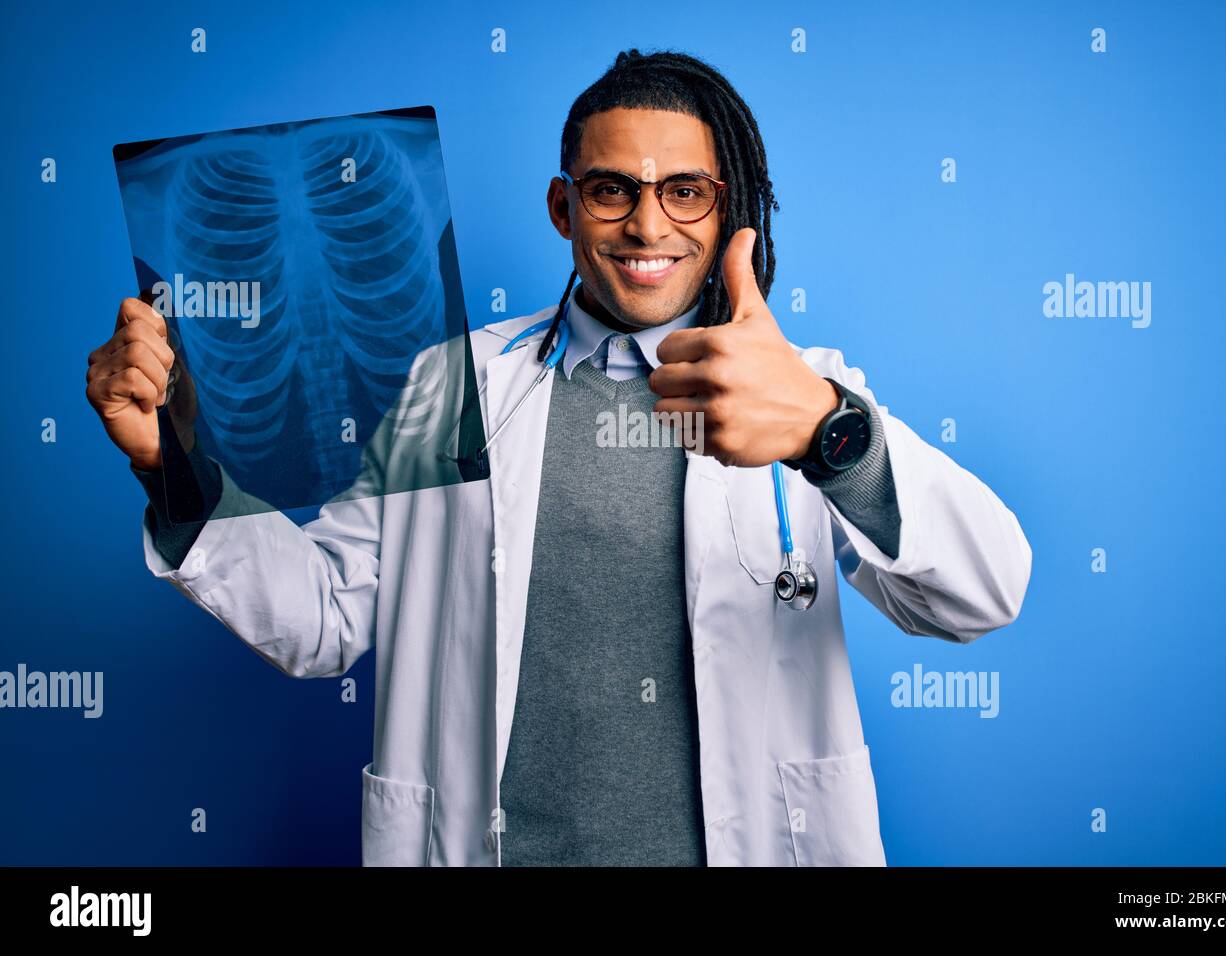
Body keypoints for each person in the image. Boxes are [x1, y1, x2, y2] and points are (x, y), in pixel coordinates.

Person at [84, 49, 1032, 867]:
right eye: (613, 188)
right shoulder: (453, 382)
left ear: (726, 208)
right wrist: (172, 468)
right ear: (563, 207)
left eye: (685, 191)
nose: (649, 227)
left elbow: (984, 594)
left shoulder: (803, 392)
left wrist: (832, 431)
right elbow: (326, 617)